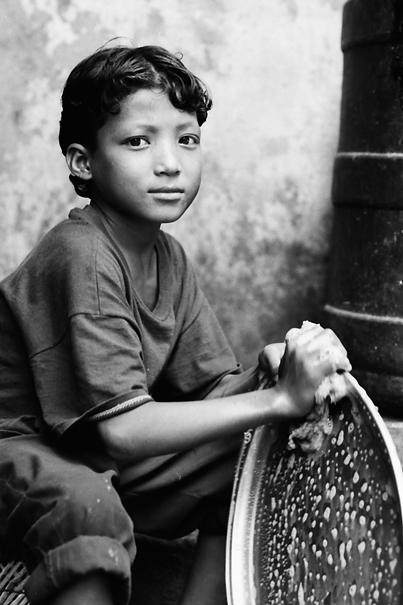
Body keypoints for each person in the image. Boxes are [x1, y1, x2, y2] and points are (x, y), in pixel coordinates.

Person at [0, 43, 351, 605]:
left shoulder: (169, 259)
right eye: (139, 141)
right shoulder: (82, 254)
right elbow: (121, 430)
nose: (171, 163)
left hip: (102, 458)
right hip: (22, 449)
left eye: (187, 139)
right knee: (88, 517)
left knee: (248, 458)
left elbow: (210, 390)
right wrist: (277, 401)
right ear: (83, 162)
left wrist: (270, 371)